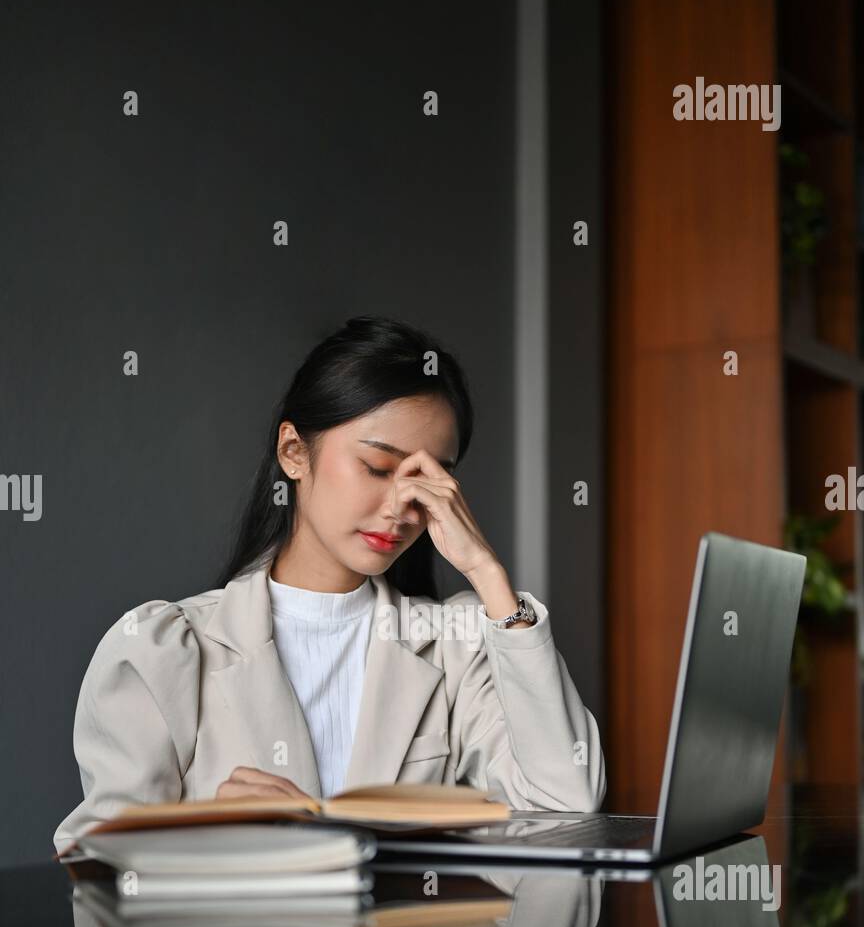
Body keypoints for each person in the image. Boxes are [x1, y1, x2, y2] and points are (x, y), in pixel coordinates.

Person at [53, 313, 606, 853]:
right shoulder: (166, 651)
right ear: (294, 452)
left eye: (430, 479)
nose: (401, 508)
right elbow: (95, 865)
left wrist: (487, 573)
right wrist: (209, 838)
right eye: (378, 467)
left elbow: (566, 808)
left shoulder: (457, 649)